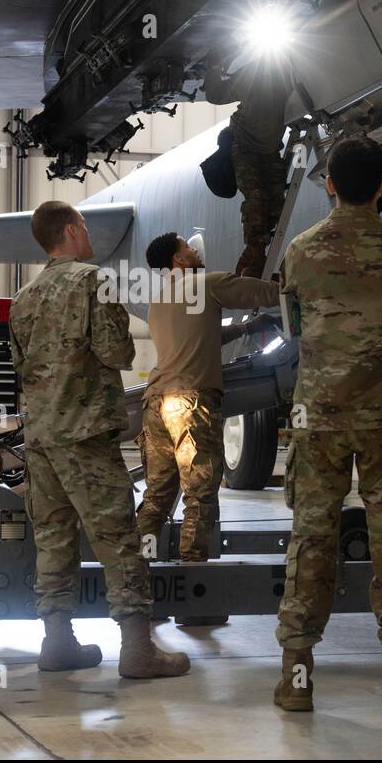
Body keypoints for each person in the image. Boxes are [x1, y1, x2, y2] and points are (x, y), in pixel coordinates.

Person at [273, 137, 382, 715]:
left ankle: (296, 680)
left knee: (311, 538)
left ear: (329, 185)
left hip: (317, 415)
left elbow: (294, 321)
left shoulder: (300, 251)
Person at [9, 200, 189, 678]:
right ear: (71, 230)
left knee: (53, 538)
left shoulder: (22, 297)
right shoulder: (96, 281)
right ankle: (138, 648)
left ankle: (57, 642)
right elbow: (118, 352)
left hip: (41, 438)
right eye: (85, 226)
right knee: (118, 539)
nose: (89, 235)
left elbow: (22, 367)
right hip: (86, 434)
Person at [137, 231, 280, 564]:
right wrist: (297, 286)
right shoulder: (207, 284)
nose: (194, 250)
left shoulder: (159, 300)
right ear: (178, 258)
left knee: (156, 497)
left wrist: (246, 329)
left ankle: (136, 570)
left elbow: (200, 336)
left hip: (156, 403)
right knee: (199, 495)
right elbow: (261, 292)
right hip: (191, 403)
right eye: (187, 247)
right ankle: (193, 573)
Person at [203, 51, 293, 278]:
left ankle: (255, 253)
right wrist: (214, 66)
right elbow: (216, 94)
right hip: (244, 146)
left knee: (277, 203)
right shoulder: (255, 74)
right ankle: (255, 252)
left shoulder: (292, 74)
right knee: (256, 196)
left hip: (270, 149)